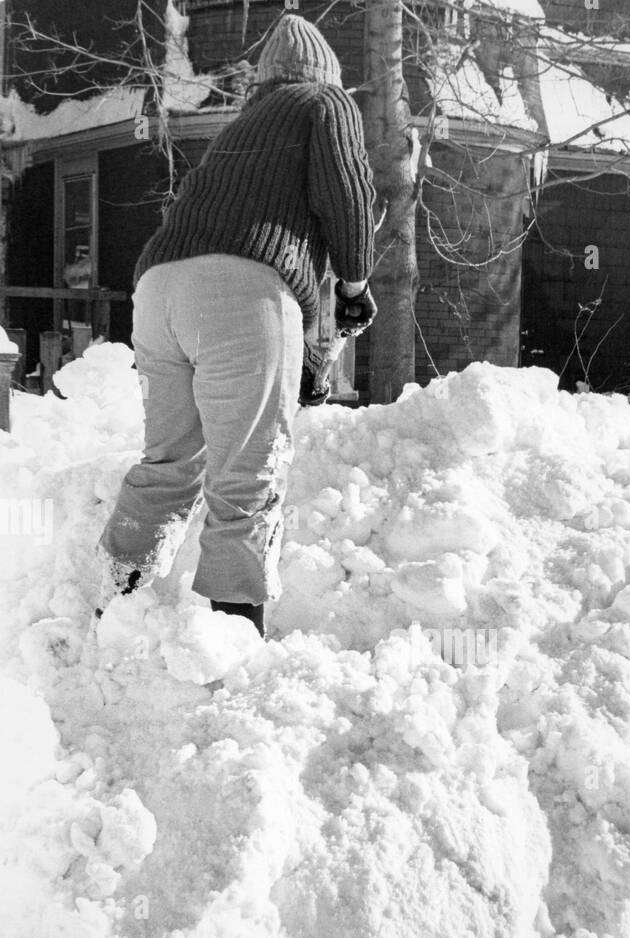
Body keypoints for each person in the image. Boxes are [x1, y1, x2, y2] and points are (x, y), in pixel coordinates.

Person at [98, 14, 377, 637]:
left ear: (264, 80)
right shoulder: (325, 103)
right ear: (324, 74)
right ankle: (232, 641)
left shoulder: (241, 130)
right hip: (238, 293)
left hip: (158, 291)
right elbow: (349, 198)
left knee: (167, 463)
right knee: (248, 475)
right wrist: (356, 283)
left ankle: (114, 608)